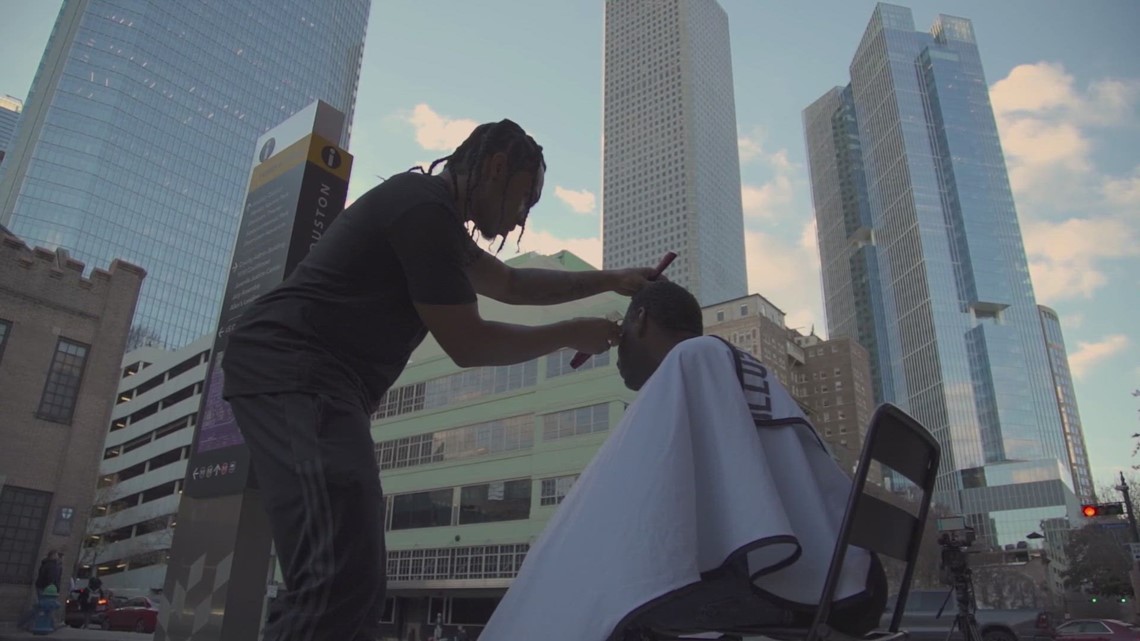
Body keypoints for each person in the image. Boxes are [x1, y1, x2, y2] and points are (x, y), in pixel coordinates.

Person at [220, 118, 660, 641]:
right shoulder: (423, 208)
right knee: (337, 574)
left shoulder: (436, 219)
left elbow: (513, 283)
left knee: (348, 574)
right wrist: (569, 333)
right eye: (525, 197)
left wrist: (612, 279)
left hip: (320, 383)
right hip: (296, 369)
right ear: (496, 168)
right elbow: (468, 343)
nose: (523, 215)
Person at [481, 281, 887, 641]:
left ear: (639, 320)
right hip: (847, 579)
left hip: (808, 587)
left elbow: (627, 503)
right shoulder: (735, 369)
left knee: (593, 595)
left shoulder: (697, 357)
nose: (617, 354)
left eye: (621, 335)